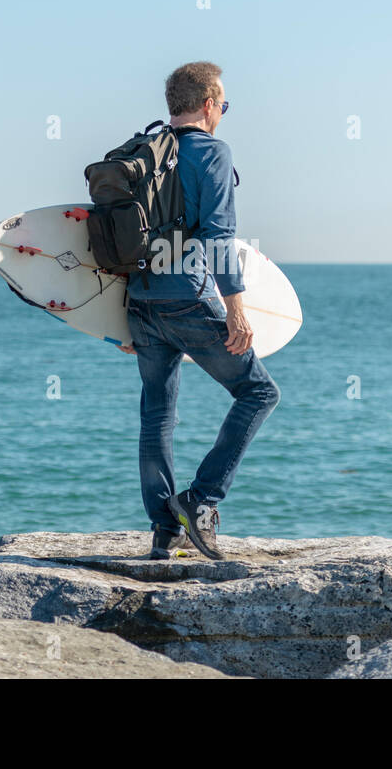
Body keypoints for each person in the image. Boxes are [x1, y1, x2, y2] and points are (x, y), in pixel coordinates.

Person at [120, 62, 280, 561]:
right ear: (209, 104)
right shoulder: (211, 152)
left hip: (140, 301)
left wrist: (118, 318)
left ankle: (164, 530)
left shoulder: (144, 153)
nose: (222, 114)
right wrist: (235, 310)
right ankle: (200, 500)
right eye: (224, 105)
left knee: (157, 415)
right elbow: (218, 236)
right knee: (258, 392)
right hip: (187, 297)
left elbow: (115, 239)